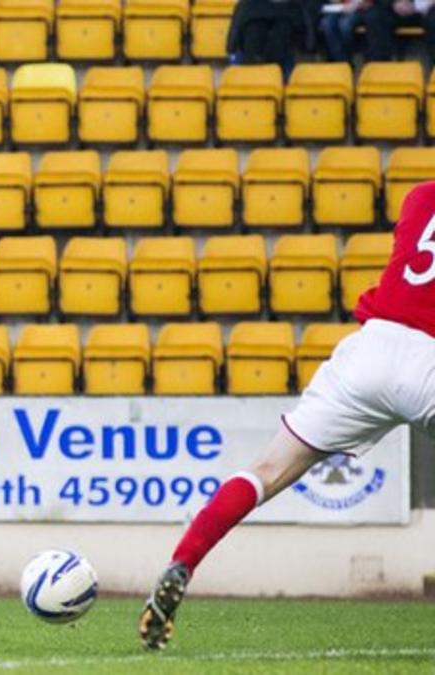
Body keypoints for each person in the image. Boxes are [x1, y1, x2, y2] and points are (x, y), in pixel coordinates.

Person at [139, 181, 435, 650]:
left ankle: (184, 561)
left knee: (267, 470)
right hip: (430, 358)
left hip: (370, 348)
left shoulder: (420, 196)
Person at [227, 0, 318, 74]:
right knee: (254, 29)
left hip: (290, 14)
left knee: (282, 28)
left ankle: (273, 73)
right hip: (257, 12)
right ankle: (252, 73)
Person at [364, 0, 435, 61]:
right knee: (375, 16)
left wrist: (418, 5)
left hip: (428, 8)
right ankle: (381, 66)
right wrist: (393, 3)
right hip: (394, 8)